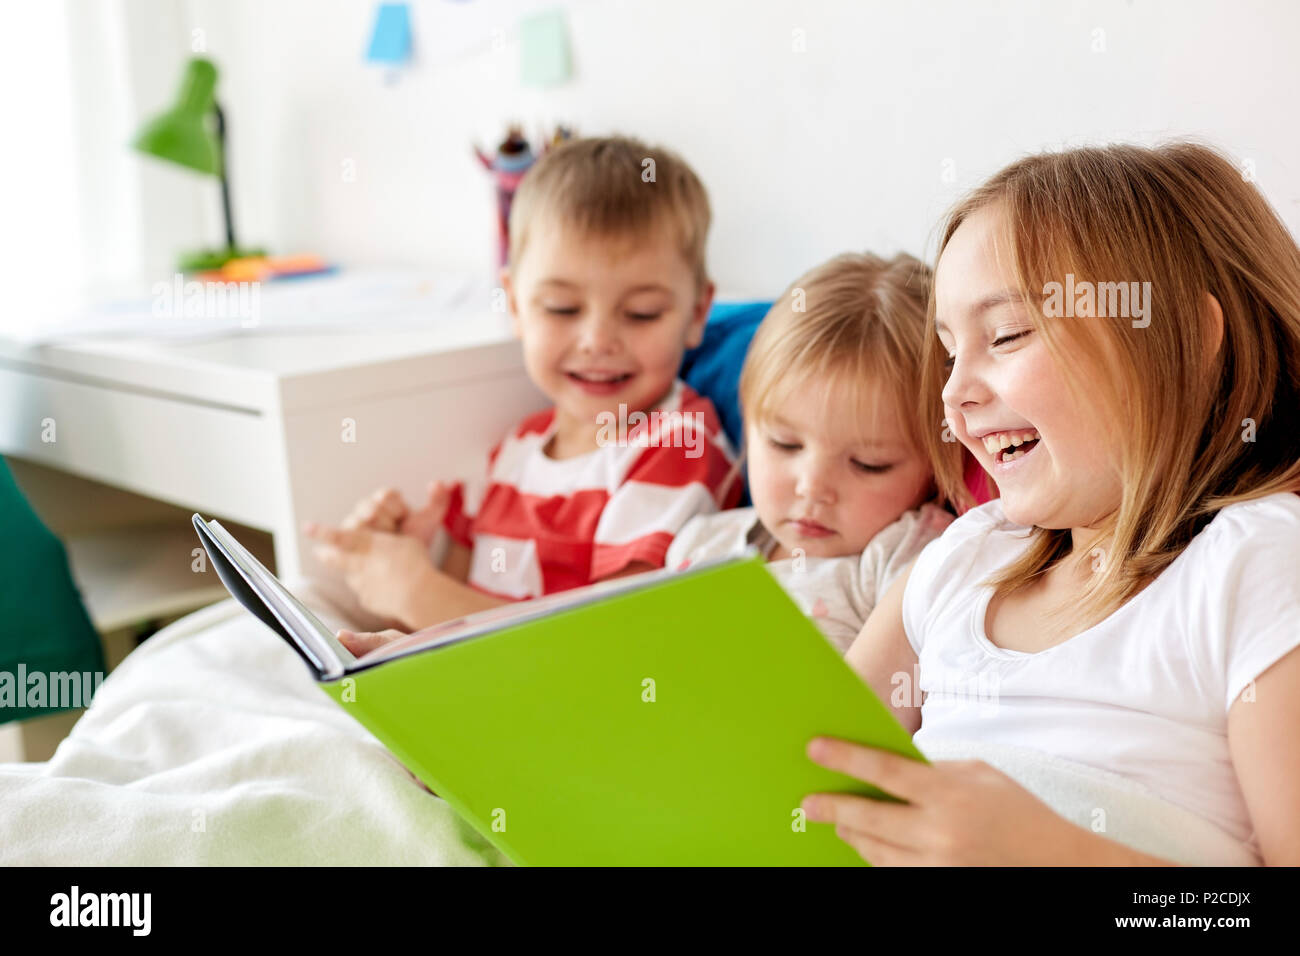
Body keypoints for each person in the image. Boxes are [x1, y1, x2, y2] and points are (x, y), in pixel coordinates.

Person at [807, 142, 1300, 865]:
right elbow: (805, 789)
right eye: (950, 353)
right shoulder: (958, 567)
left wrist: (1057, 854)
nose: (954, 394)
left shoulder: (1255, 565)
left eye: (1006, 335)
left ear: (1191, 341)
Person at [306, 136, 741, 645]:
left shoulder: (678, 444)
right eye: (562, 308)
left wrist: (420, 594)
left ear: (695, 315)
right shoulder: (517, 449)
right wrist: (417, 568)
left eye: (641, 313)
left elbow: (610, 647)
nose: (598, 341)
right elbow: (457, 632)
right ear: (514, 303)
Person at [665, 252, 957, 652]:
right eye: (784, 443)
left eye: (869, 465)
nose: (812, 489)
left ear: (937, 467)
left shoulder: (906, 558)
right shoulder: (700, 544)